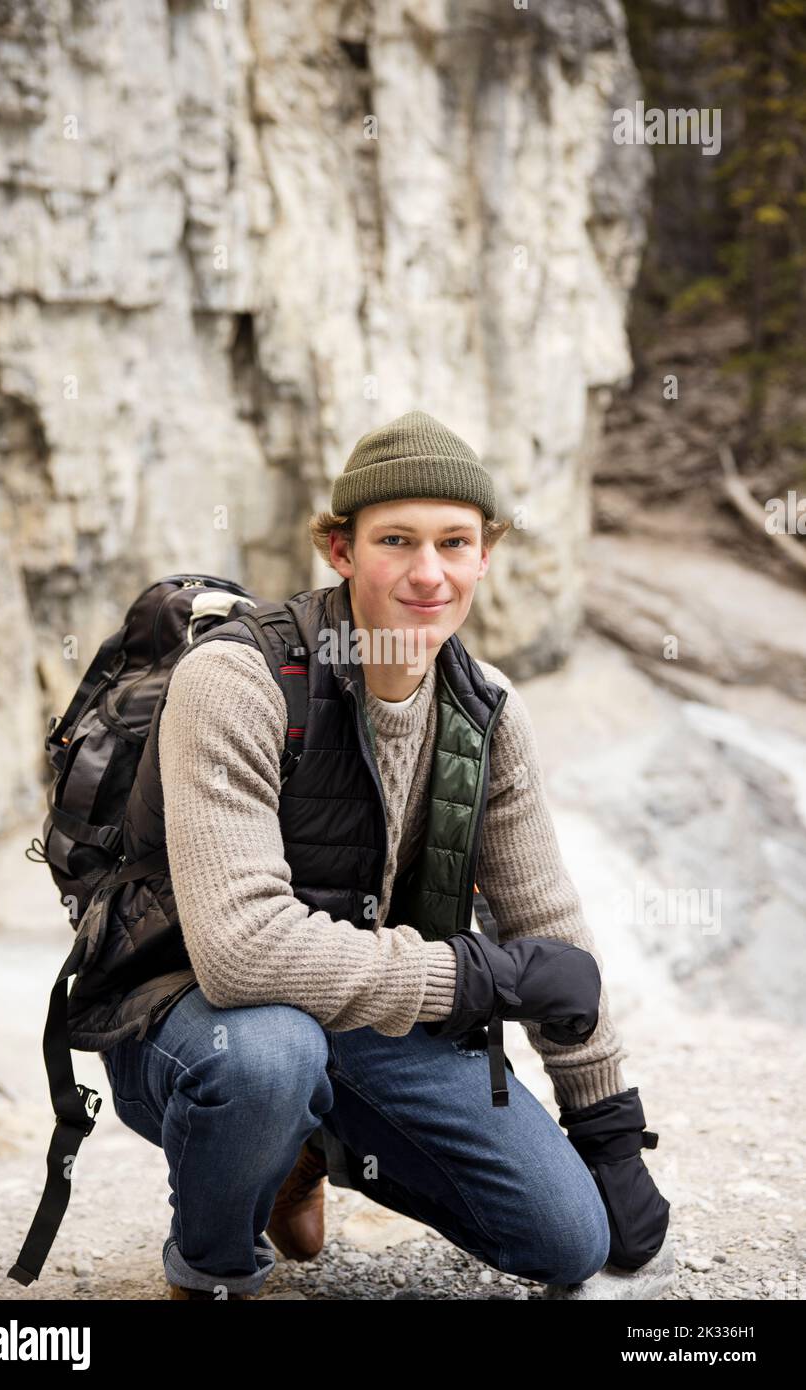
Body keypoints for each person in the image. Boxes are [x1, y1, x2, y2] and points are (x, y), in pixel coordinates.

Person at [99, 409, 669, 1300]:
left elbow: (545, 923)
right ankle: (212, 1266)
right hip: (190, 1014)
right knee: (269, 1059)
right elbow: (239, 950)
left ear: (486, 554)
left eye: (454, 542)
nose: (428, 572)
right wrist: (474, 980)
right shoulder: (237, 681)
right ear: (339, 549)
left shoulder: (484, 712)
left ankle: (304, 1147)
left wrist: (606, 1123)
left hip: (362, 1009)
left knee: (569, 1242)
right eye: (395, 540)